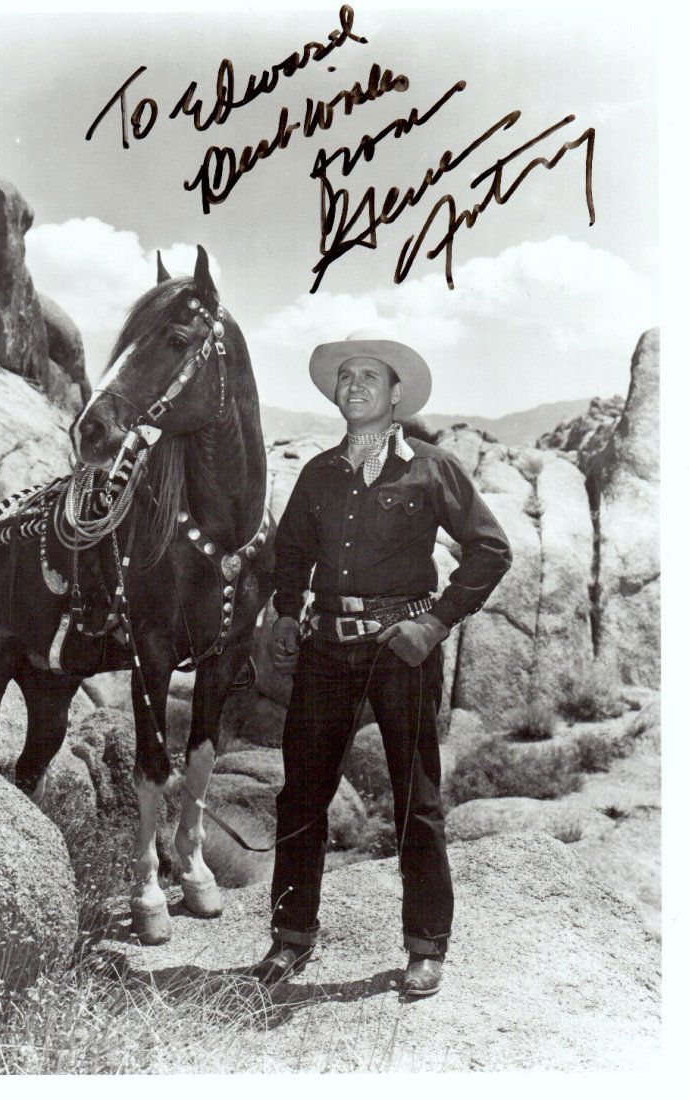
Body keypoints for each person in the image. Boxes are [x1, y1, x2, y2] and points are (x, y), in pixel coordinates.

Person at [252, 329, 512, 995]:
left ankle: (426, 945)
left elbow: (490, 549)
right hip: (326, 648)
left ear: (396, 396)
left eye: (371, 376)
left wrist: (436, 623)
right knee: (301, 793)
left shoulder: (431, 467)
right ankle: (290, 936)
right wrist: (286, 610)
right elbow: (290, 553)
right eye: (346, 376)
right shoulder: (317, 473)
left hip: (403, 650)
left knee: (415, 798)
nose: (356, 385)